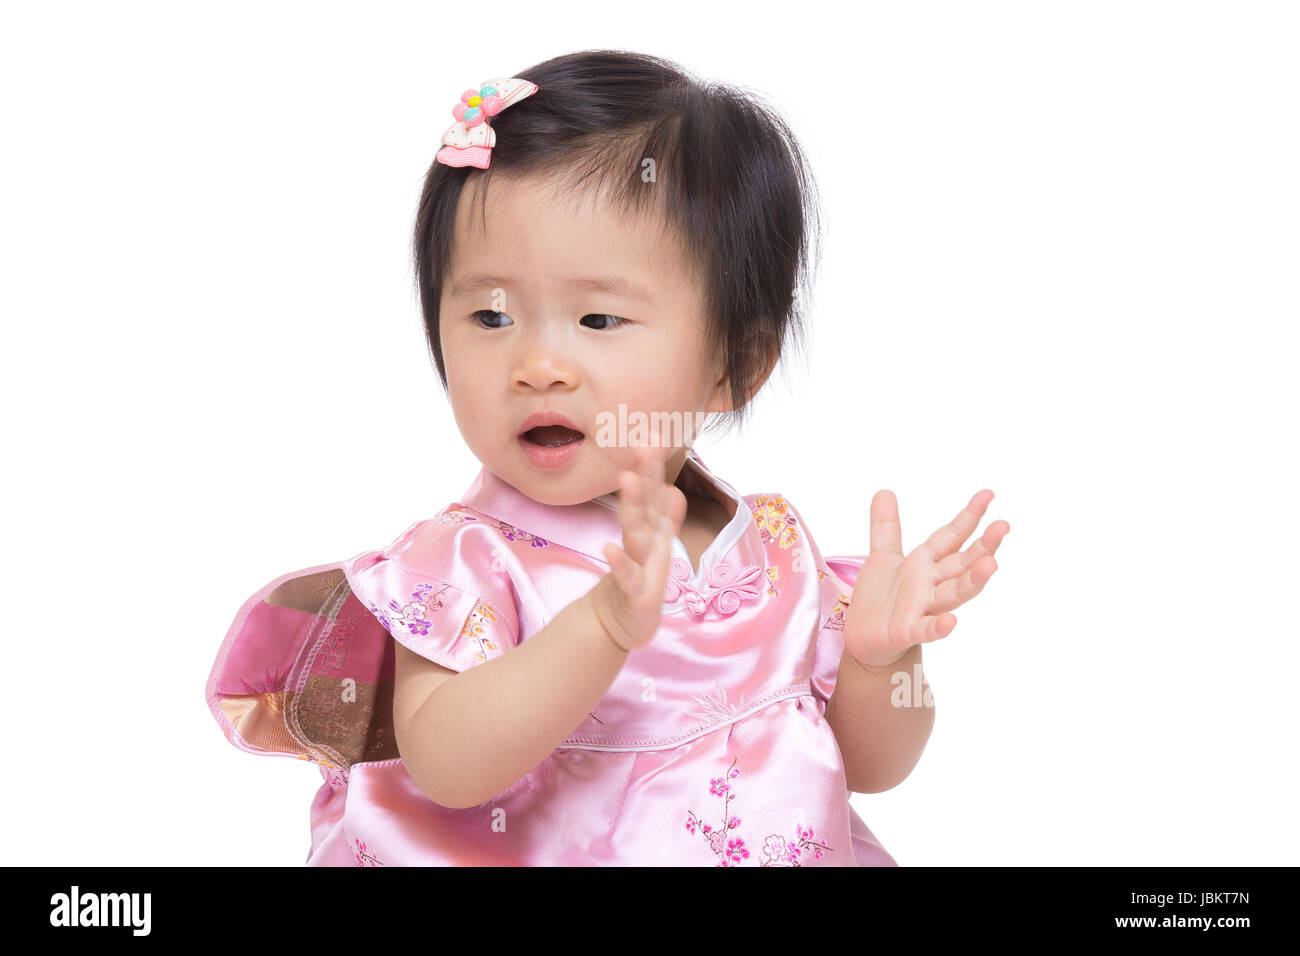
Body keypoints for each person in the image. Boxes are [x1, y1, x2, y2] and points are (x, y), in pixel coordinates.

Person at [205, 49, 1008, 866]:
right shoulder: (465, 562)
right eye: (489, 317)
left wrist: (882, 660)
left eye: (596, 321)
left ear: (736, 364)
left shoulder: (775, 552)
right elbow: (446, 764)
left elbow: (872, 769)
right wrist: (599, 629)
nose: (538, 364)